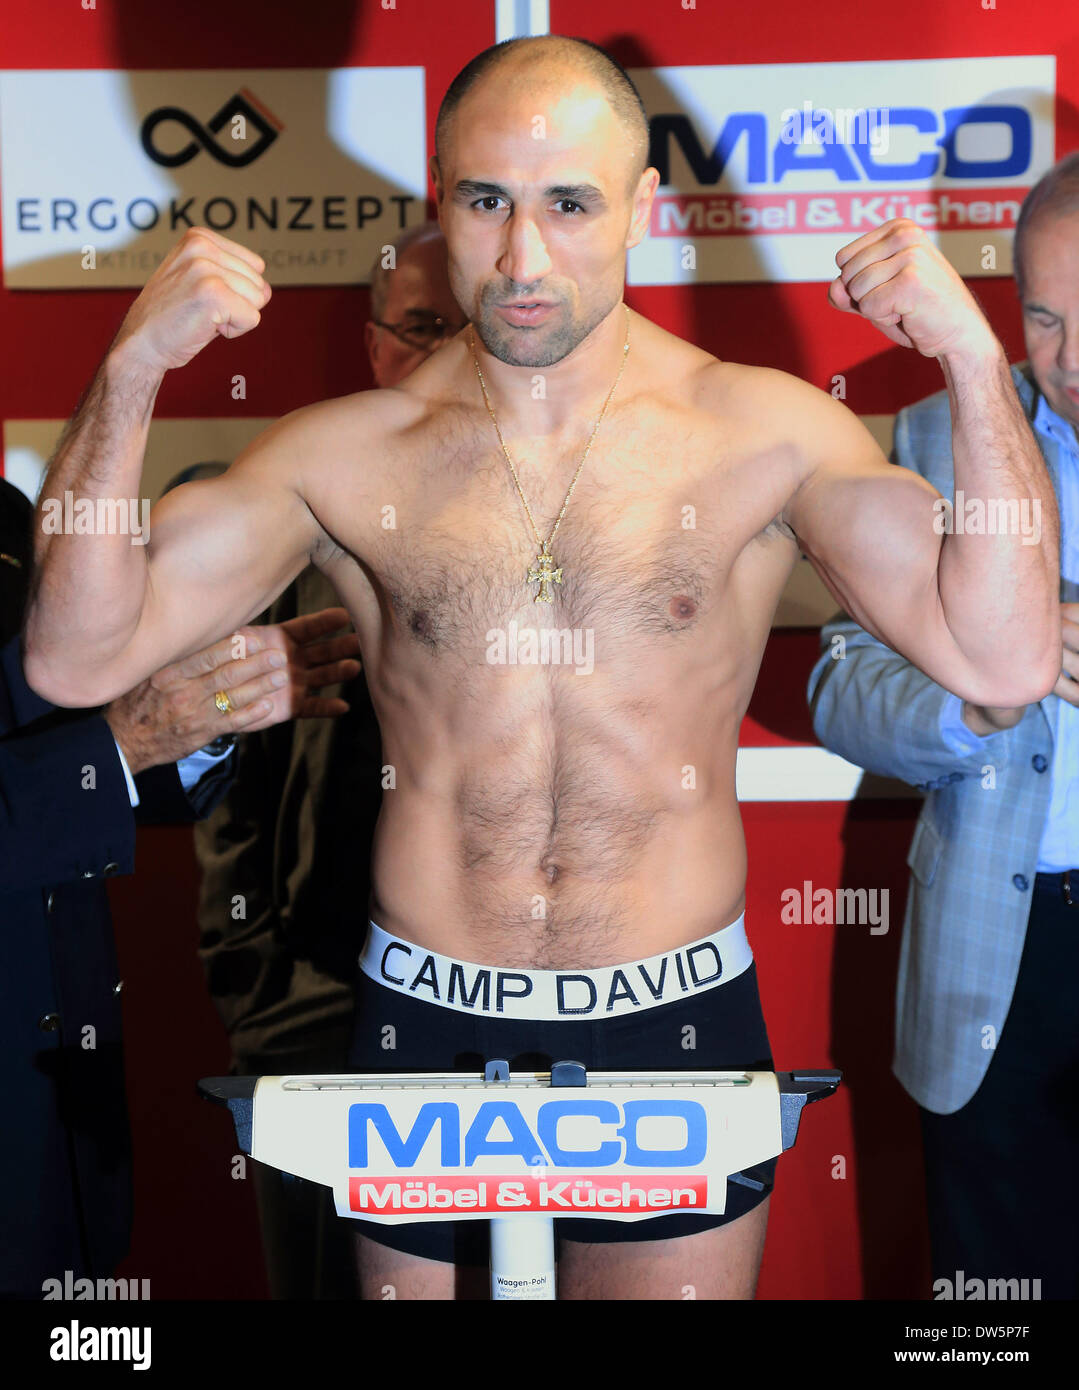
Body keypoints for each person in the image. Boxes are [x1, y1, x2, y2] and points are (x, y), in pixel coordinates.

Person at [21, 36, 1060, 1300]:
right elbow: (76, 658)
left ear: (634, 205)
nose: (521, 258)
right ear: (437, 196)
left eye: (567, 203)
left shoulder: (759, 430)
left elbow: (998, 652)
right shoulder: (344, 451)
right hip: (422, 1016)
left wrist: (964, 354)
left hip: (668, 1014)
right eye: (484, 203)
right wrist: (129, 369)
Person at [808, 153, 1079, 1300]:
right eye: (1045, 319)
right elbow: (839, 681)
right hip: (995, 953)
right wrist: (967, 701)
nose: (1070, 361)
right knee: (993, 1305)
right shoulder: (931, 435)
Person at [0, 473, 358, 1296]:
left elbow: (50, 747)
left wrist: (201, 718)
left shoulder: (6, 521)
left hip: (55, 1127)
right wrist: (119, 746)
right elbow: (88, 757)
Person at [192, 221, 463, 1299]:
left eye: (468, 326)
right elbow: (218, 778)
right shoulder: (279, 509)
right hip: (312, 1020)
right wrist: (259, 984)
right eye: (420, 327)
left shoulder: (567, 533)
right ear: (371, 342)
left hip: (513, 1028)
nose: (445, 353)